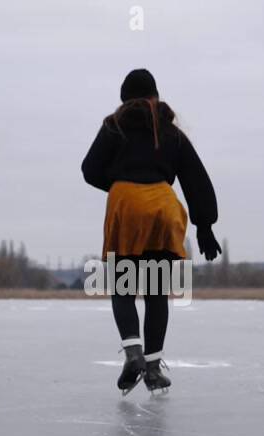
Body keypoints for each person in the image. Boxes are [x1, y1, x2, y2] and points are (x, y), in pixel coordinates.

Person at [82, 68, 222, 394]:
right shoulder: (170, 132)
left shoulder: (113, 127)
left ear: (124, 101)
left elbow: (90, 169)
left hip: (126, 206)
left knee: (123, 284)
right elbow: (194, 177)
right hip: (162, 207)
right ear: (154, 96)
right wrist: (205, 225)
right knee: (157, 290)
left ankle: (134, 354)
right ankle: (154, 369)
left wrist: (121, 184)